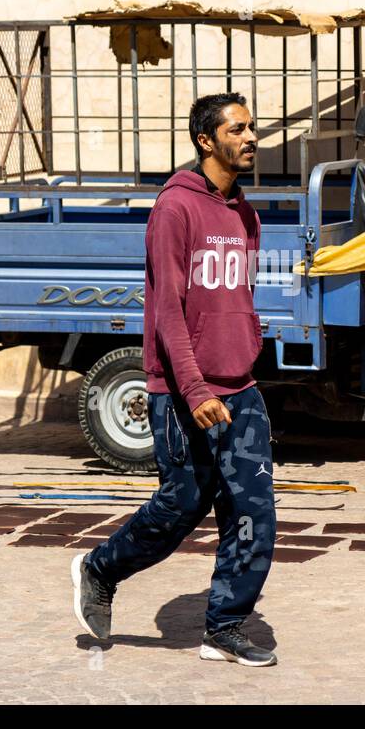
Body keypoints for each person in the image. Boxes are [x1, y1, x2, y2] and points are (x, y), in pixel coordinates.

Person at [71, 92, 278, 667]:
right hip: (185, 393)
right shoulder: (174, 209)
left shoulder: (245, 213)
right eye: (238, 128)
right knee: (180, 508)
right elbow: (167, 311)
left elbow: (239, 295)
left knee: (254, 510)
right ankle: (99, 568)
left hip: (241, 387)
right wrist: (194, 389)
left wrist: (247, 348)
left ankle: (225, 626)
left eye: (252, 127)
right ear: (206, 140)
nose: (251, 137)